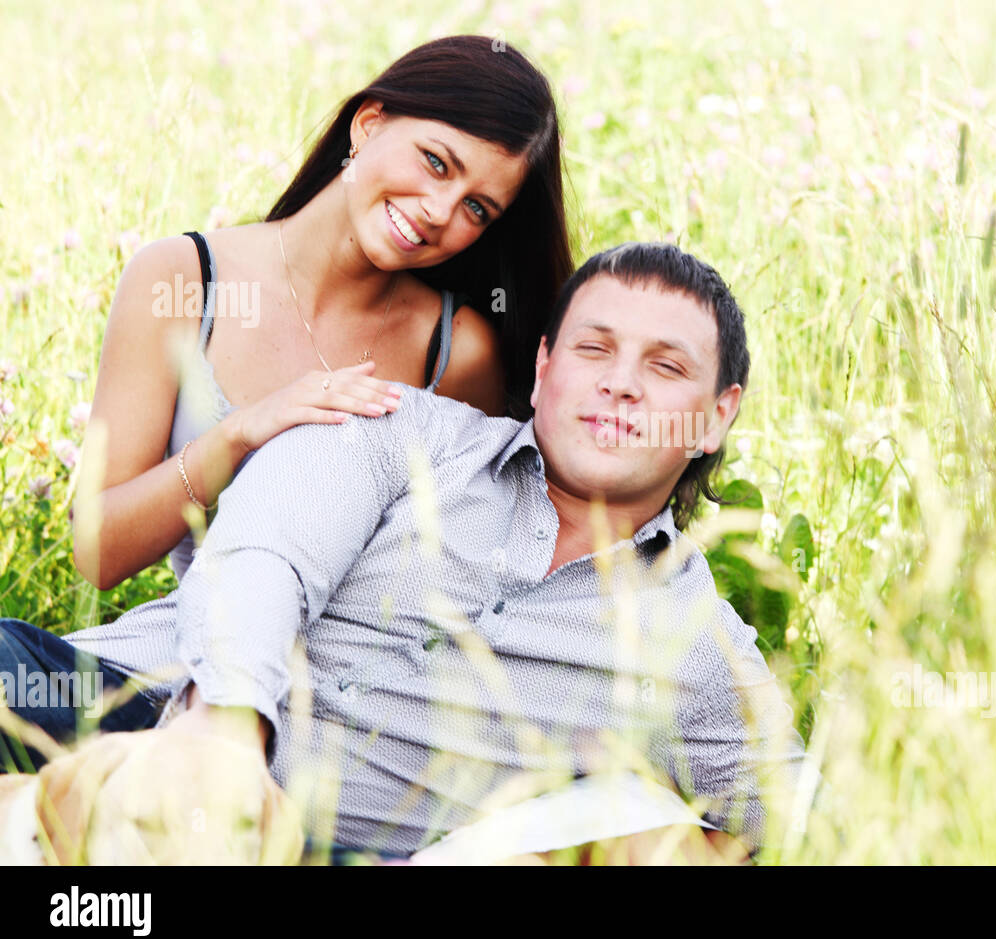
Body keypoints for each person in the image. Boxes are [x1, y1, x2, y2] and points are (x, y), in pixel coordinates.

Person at [4, 243, 818, 864]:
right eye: (594, 350)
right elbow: (263, 556)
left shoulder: (697, 644)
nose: (621, 384)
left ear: (714, 419)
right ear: (542, 371)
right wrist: (224, 740)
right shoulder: (399, 430)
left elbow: (801, 828)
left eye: (666, 367)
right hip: (135, 712)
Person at [0, 35, 572, 756]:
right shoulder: (182, 279)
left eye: (477, 209)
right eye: (435, 162)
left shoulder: (459, 355)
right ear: (369, 124)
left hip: (336, 723)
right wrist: (238, 437)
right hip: (171, 670)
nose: (437, 210)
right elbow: (97, 552)